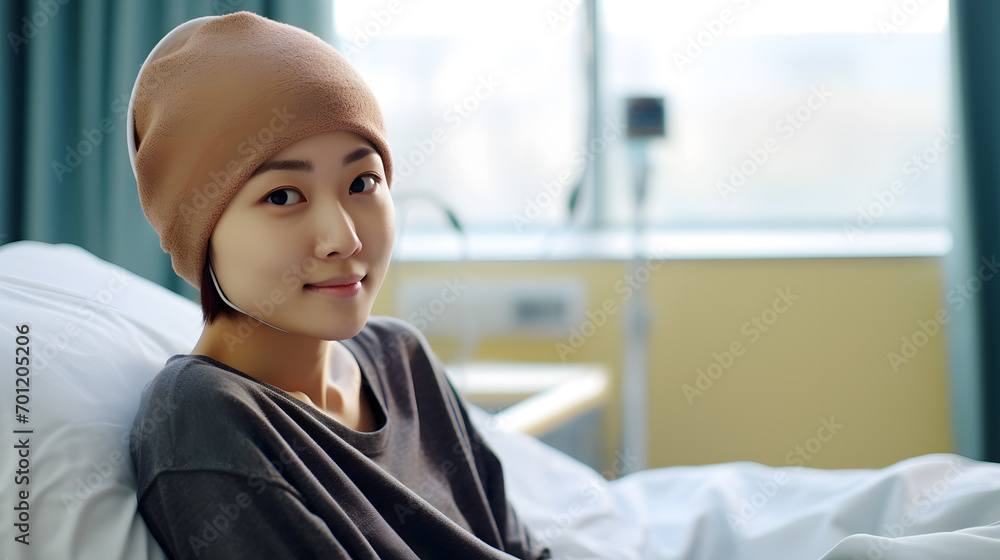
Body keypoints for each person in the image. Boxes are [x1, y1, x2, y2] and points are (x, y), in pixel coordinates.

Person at [126, 11, 550, 559]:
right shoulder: (205, 418)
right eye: (282, 196)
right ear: (199, 232)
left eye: (362, 181)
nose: (343, 237)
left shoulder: (402, 357)